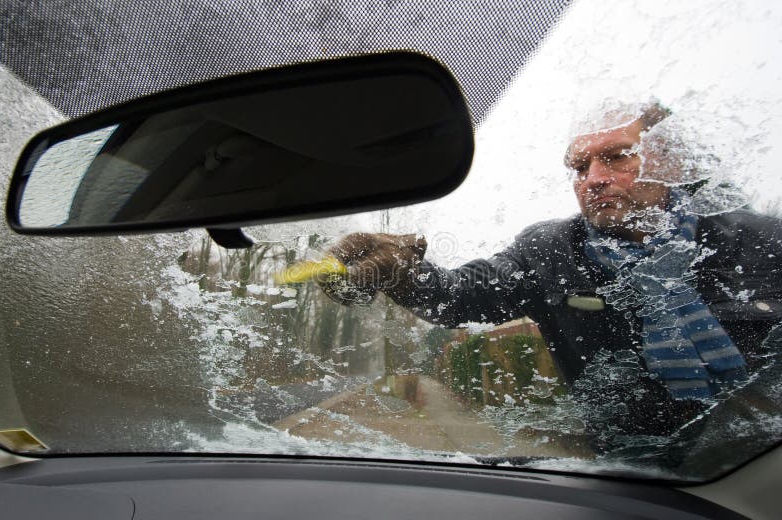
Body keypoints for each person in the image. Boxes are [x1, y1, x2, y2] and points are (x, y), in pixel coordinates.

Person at [324, 101, 782, 450]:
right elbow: (459, 296)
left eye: (618, 157)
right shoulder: (548, 251)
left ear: (674, 163)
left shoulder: (761, 240)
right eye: (580, 166)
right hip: (631, 473)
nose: (593, 178)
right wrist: (402, 272)